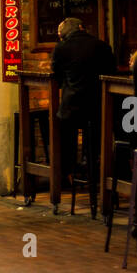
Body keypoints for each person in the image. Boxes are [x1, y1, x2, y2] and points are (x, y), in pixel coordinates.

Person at [50, 17, 117, 183]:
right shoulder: (102, 46)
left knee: (63, 126)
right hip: (98, 107)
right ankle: (94, 167)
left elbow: (57, 78)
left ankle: (67, 172)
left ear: (62, 35)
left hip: (72, 107)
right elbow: (111, 73)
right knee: (95, 130)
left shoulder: (61, 48)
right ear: (81, 27)